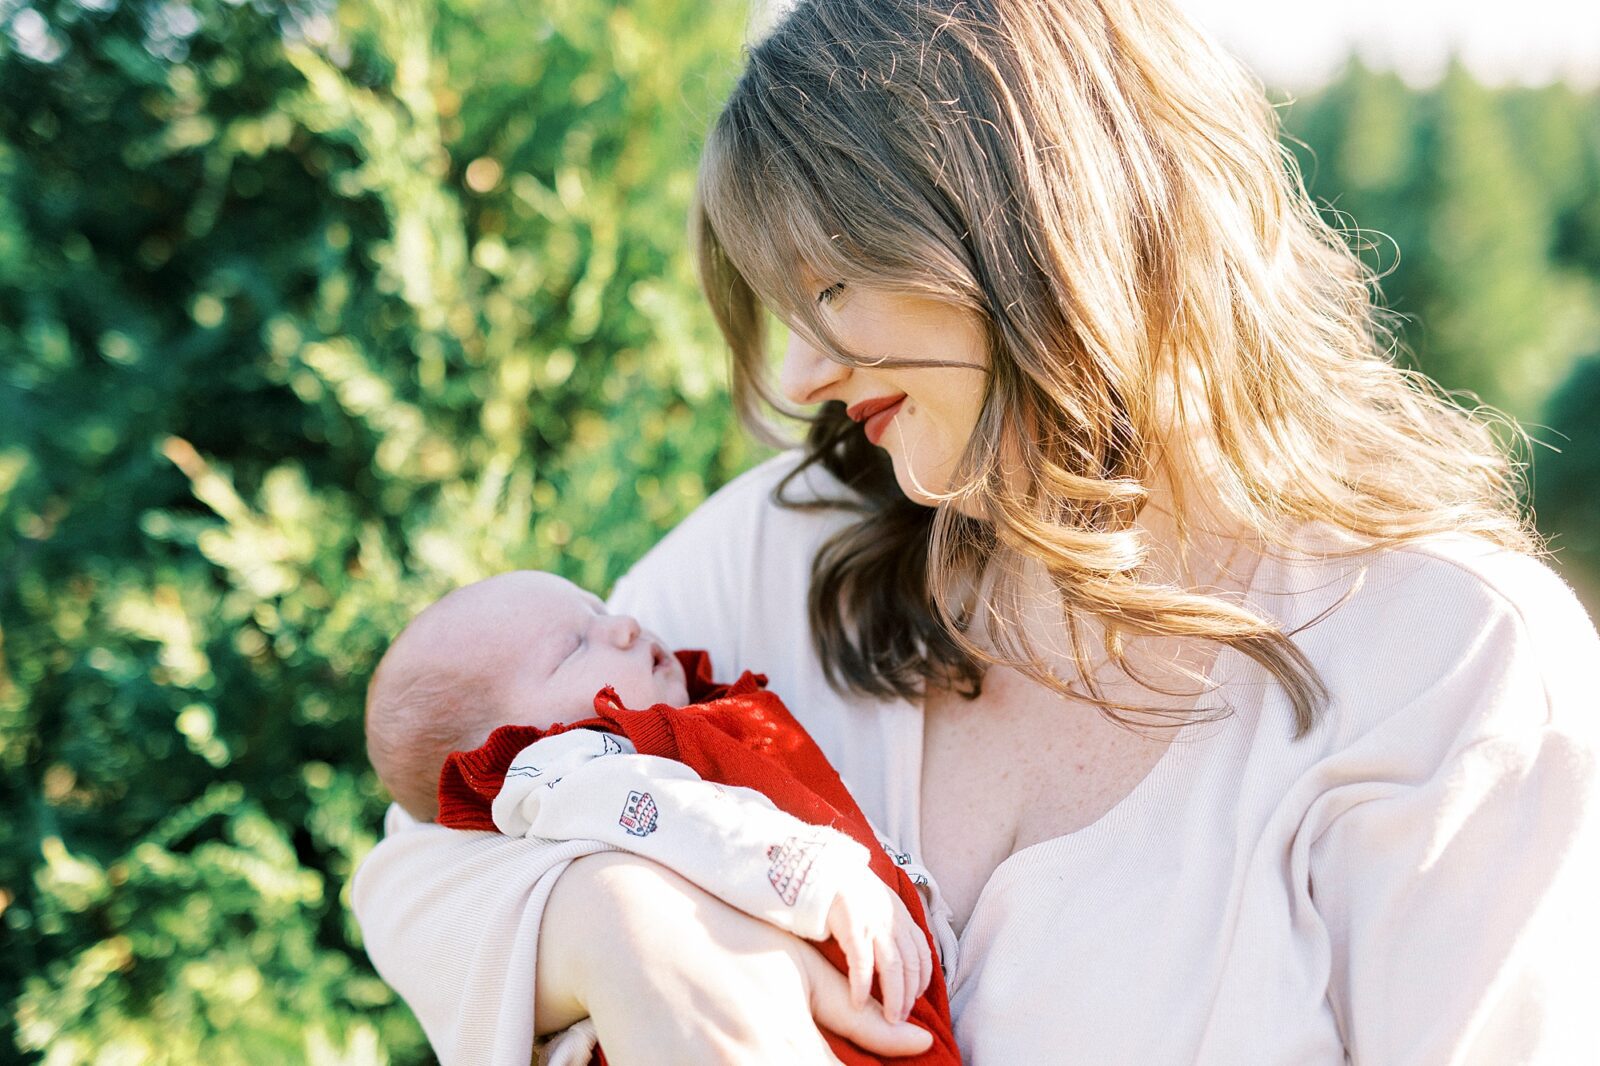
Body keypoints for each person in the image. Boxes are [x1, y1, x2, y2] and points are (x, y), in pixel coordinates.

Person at [351, 0, 1600, 1063]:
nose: (797, 374)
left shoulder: (1451, 659)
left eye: (832, 285)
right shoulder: (784, 555)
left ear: (1036, 227)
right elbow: (423, 852)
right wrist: (623, 933)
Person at [360, 571, 952, 1062]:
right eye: (572, 648)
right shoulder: (575, 770)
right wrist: (809, 874)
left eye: (598, 609)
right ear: (509, 747)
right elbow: (678, 814)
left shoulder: (685, 726)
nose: (623, 625)